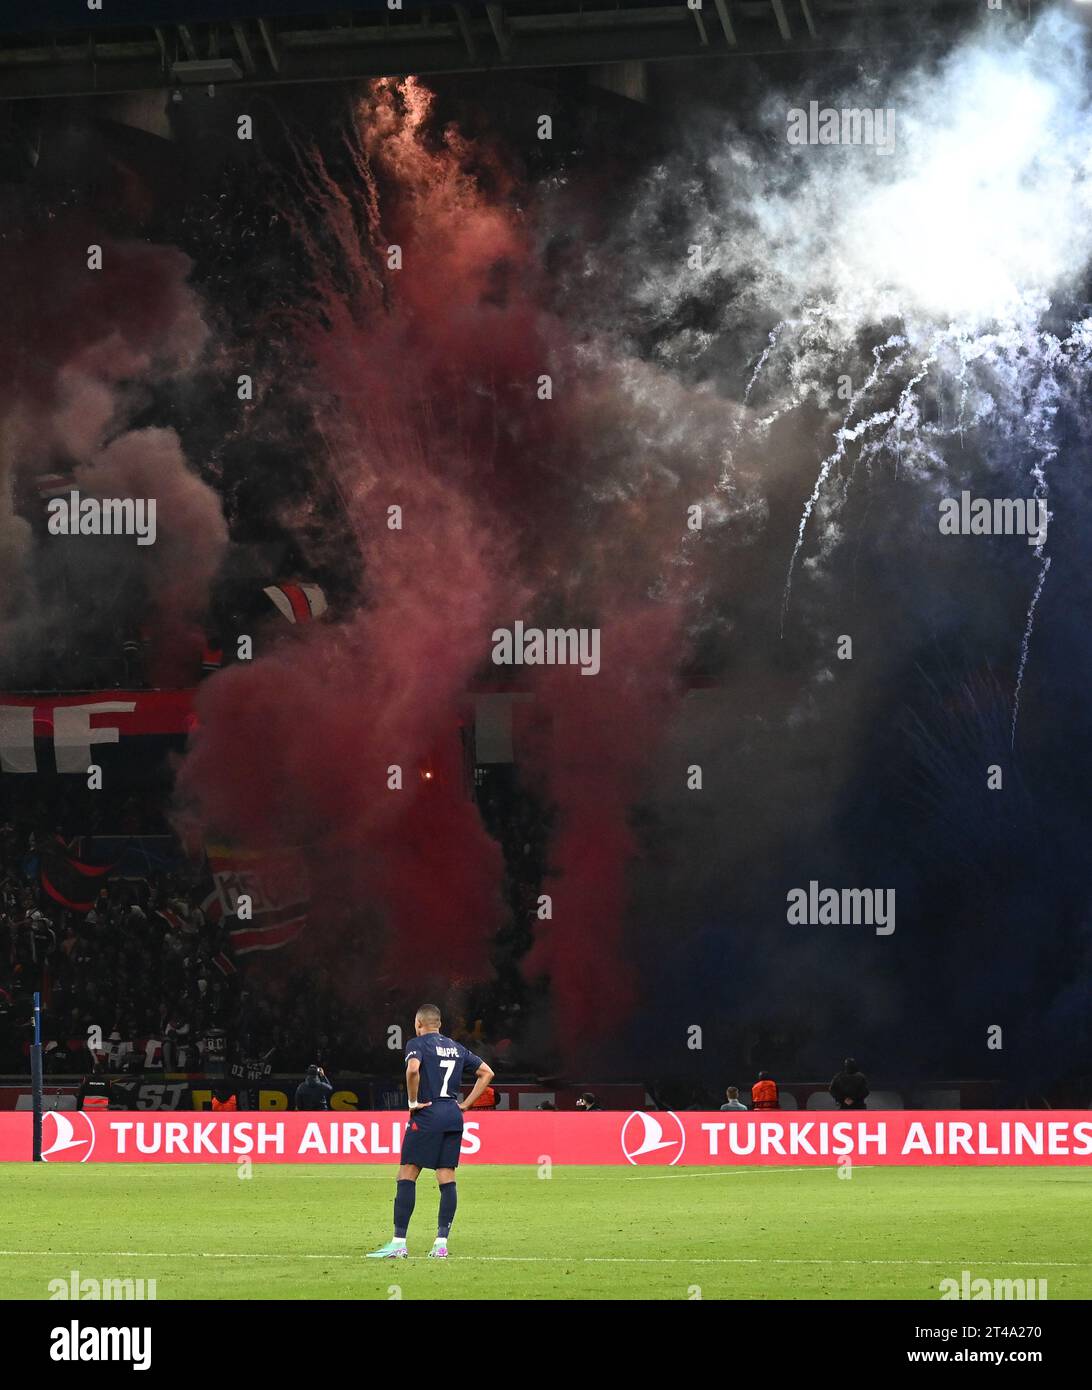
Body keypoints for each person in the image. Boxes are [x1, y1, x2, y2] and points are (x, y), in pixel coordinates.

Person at [366, 1004, 493, 1261]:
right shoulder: (457, 1048)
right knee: (447, 1177)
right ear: (440, 1024)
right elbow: (486, 1072)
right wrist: (467, 1104)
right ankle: (441, 1244)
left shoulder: (418, 1044)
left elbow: (412, 1070)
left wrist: (412, 1102)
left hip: (427, 1113)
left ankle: (399, 1243)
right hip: (452, 1115)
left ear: (418, 1023)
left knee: (407, 1173)